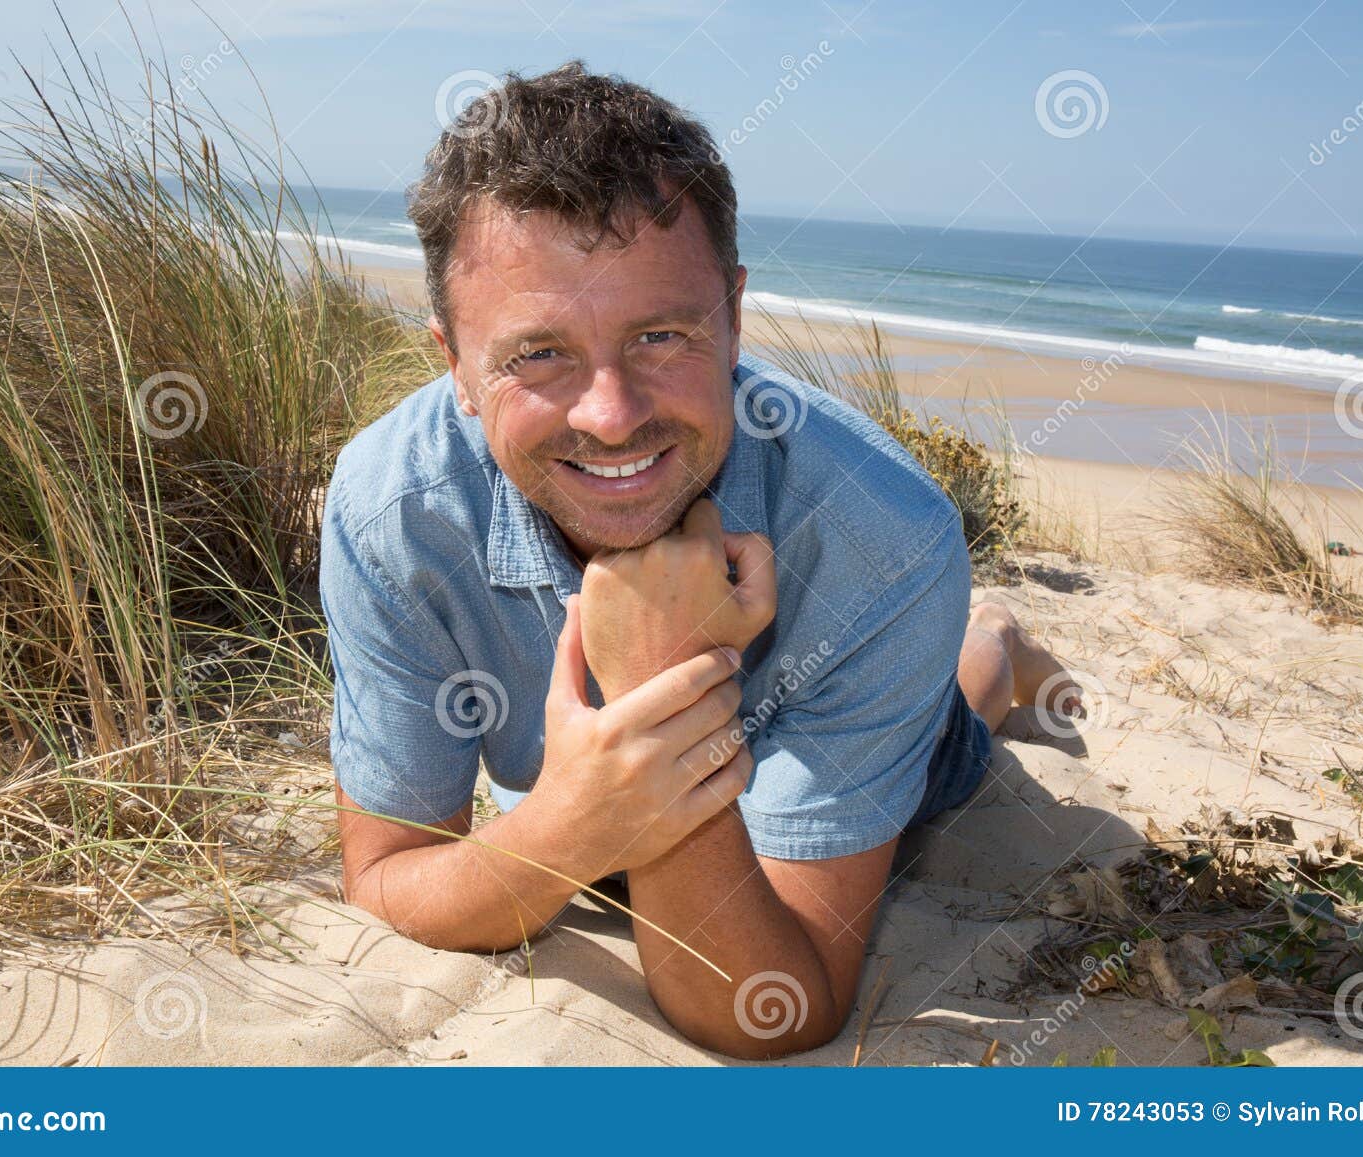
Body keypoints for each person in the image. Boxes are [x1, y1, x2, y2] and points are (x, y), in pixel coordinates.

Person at [320, 61, 1078, 1059]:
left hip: (868, 749)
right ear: (455, 364)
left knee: (957, 729)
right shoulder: (393, 511)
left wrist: (657, 687)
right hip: (581, 809)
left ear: (731, 318)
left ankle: (996, 644)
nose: (612, 412)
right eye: (537, 352)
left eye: (661, 333)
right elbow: (387, 874)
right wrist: (581, 817)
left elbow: (773, 1006)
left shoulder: (883, 539)